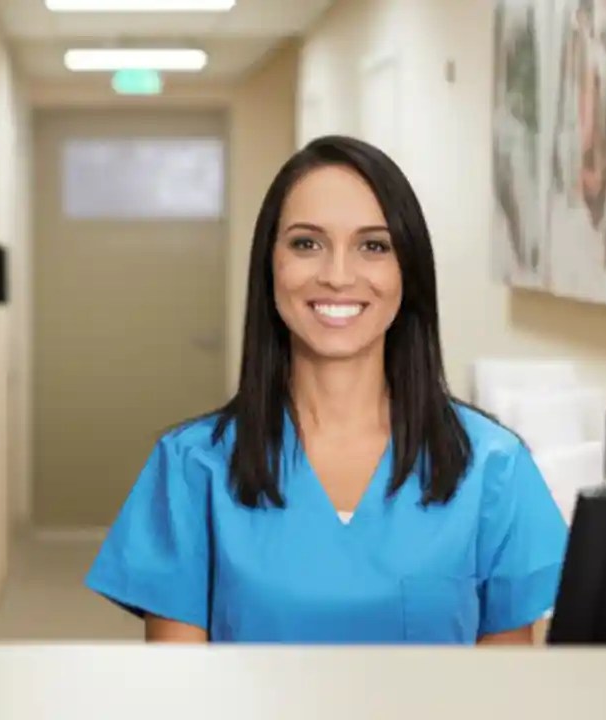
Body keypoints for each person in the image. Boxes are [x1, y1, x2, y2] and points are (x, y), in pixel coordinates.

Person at [85, 135, 569, 644]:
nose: (338, 276)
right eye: (306, 244)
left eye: (373, 246)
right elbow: (180, 698)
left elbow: (506, 697)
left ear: (408, 270)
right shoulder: (190, 468)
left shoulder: (491, 467)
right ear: (270, 264)